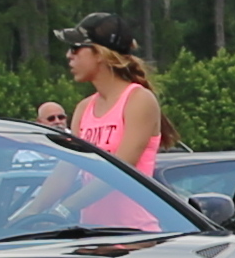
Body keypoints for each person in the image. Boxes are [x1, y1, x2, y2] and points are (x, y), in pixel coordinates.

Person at [35, 15, 166, 172]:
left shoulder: (139, 100)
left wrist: (77, 192)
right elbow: (66, 172)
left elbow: (117, 173)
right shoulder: (83, 108)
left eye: (75, 48)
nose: (68, 55)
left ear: (99, 54)